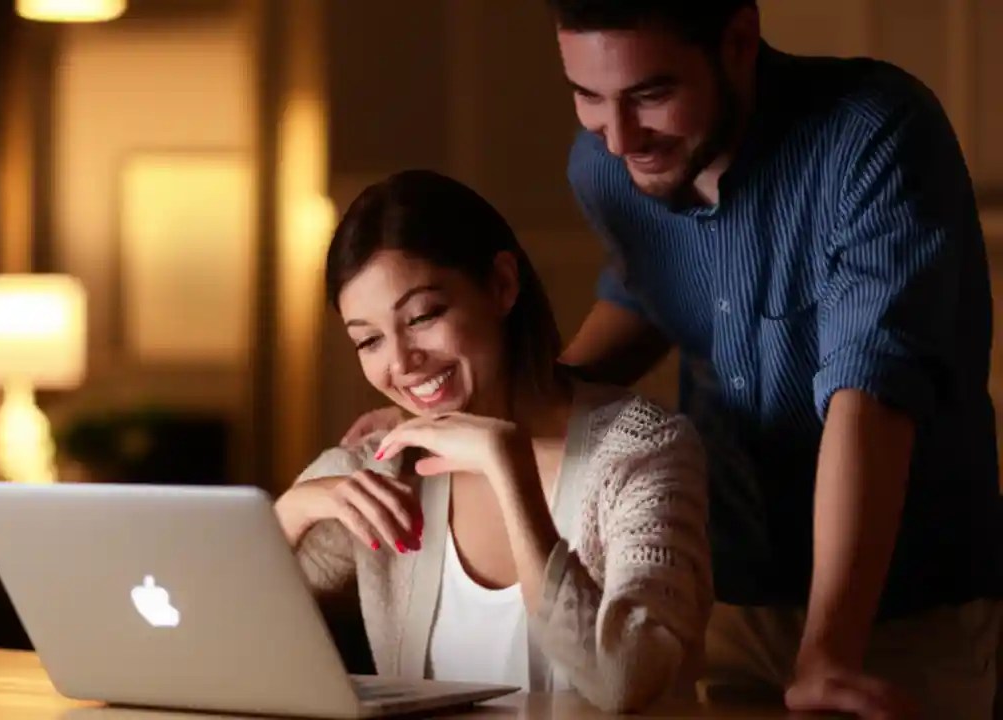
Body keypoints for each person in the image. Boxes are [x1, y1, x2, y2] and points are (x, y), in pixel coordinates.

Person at [343, 2, 1001, 718]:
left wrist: (828, 650)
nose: (619, 136)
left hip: (898, 610)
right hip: (729, 585)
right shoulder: (605, 165)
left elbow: (870, 393)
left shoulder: (873, 133)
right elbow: (646, 298)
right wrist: (489, 408)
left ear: (739, 40)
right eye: (588, 97)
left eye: (651, 94)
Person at [276, 169, 711, 713]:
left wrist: (507, 470)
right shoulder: (380, 469)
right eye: (367, 341)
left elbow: (623, 680)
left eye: (424, 315)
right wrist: (289, 513)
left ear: (502, 284)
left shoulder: (644, 452)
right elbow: (218, 640)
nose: (400, 362)